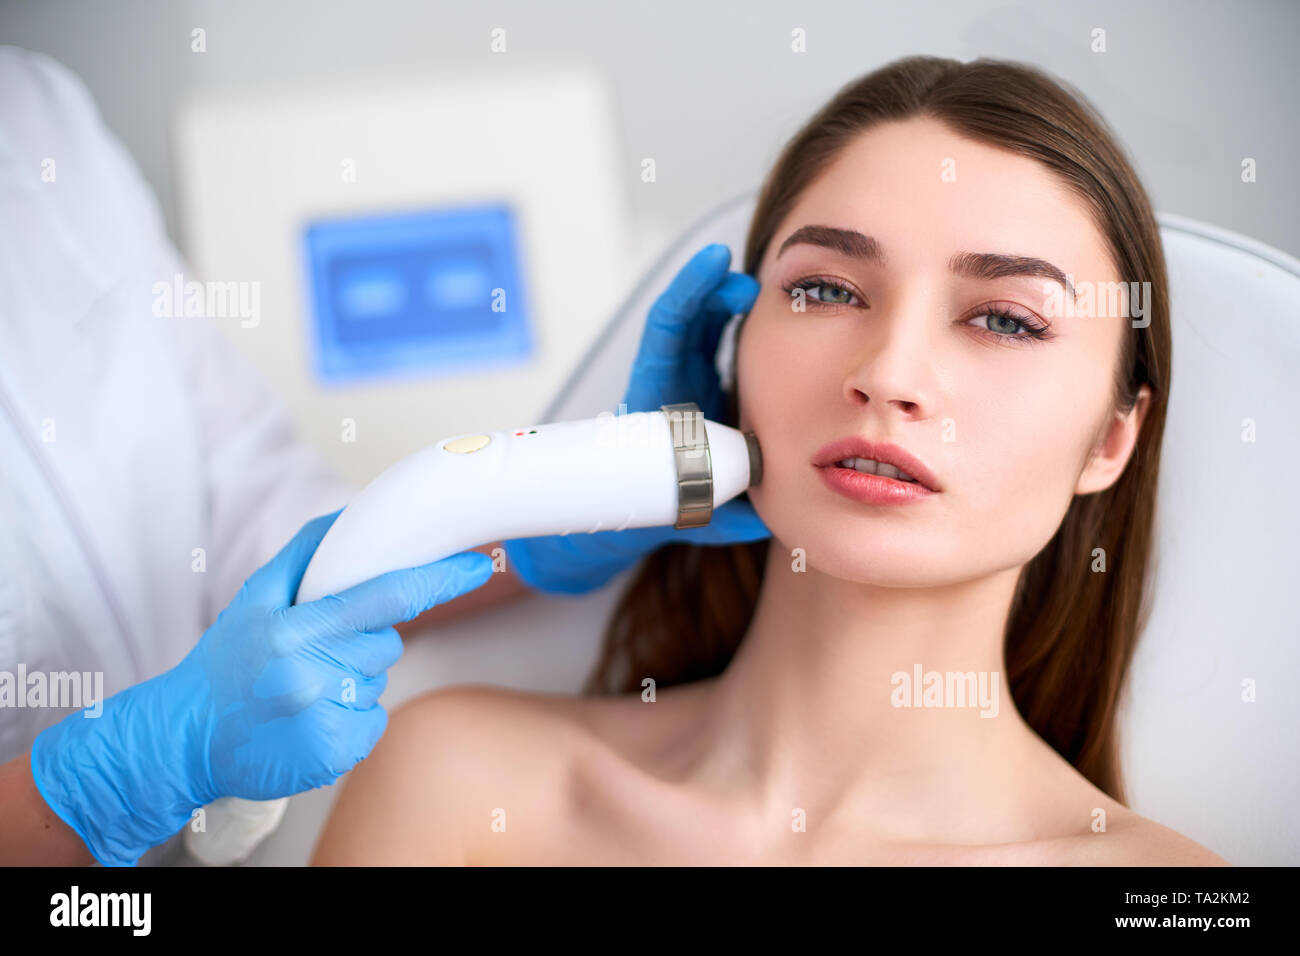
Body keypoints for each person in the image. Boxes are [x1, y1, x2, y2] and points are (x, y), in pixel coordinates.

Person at [312, 56, 1232, 865]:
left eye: (1005, 319)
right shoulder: (458, 785)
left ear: (1112, 439)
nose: (889, 374)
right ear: (733, 358)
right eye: (827, 290)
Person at [0, 47, 516, 867]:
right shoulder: (445, 766)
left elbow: (261, 505)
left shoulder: (34, 111)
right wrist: (110, 783)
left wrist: (561, 522)